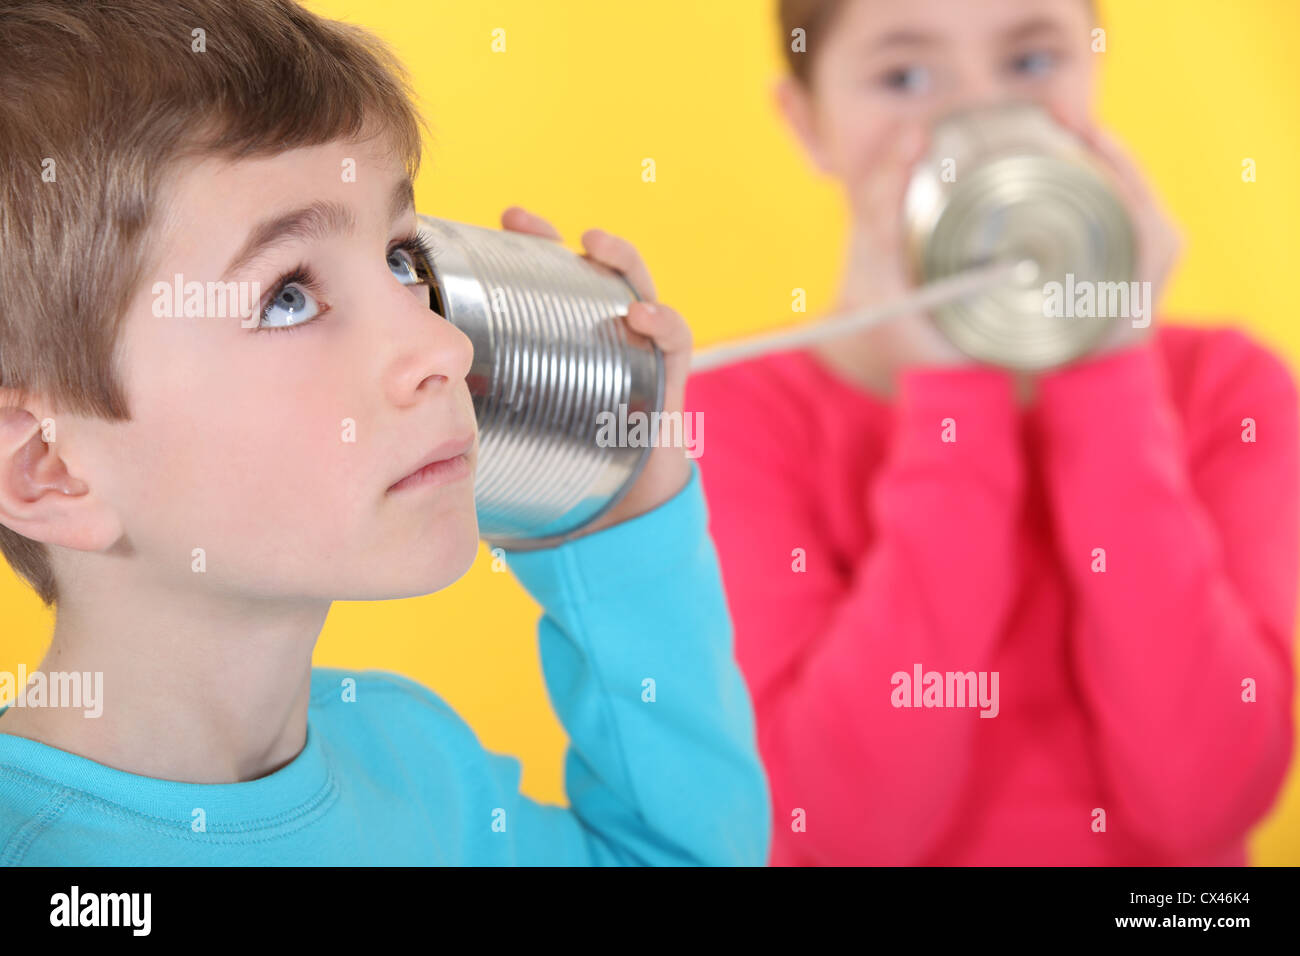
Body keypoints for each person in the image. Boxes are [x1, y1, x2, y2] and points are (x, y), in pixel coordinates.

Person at [0, 0, 769, 865]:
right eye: (287, 296)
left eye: (404, 260)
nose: (444, 343)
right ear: (48, 465)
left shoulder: (417, 765)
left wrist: (615, 503)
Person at [684, 0, 1299, 864]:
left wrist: (1105, 373)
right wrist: (953, 402)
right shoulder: (732, 417)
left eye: (1033, 61)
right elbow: (853, 831)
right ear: (807, 122)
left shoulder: (1229, 391)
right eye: (904, 76)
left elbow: (1207, 800)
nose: (980, 117)